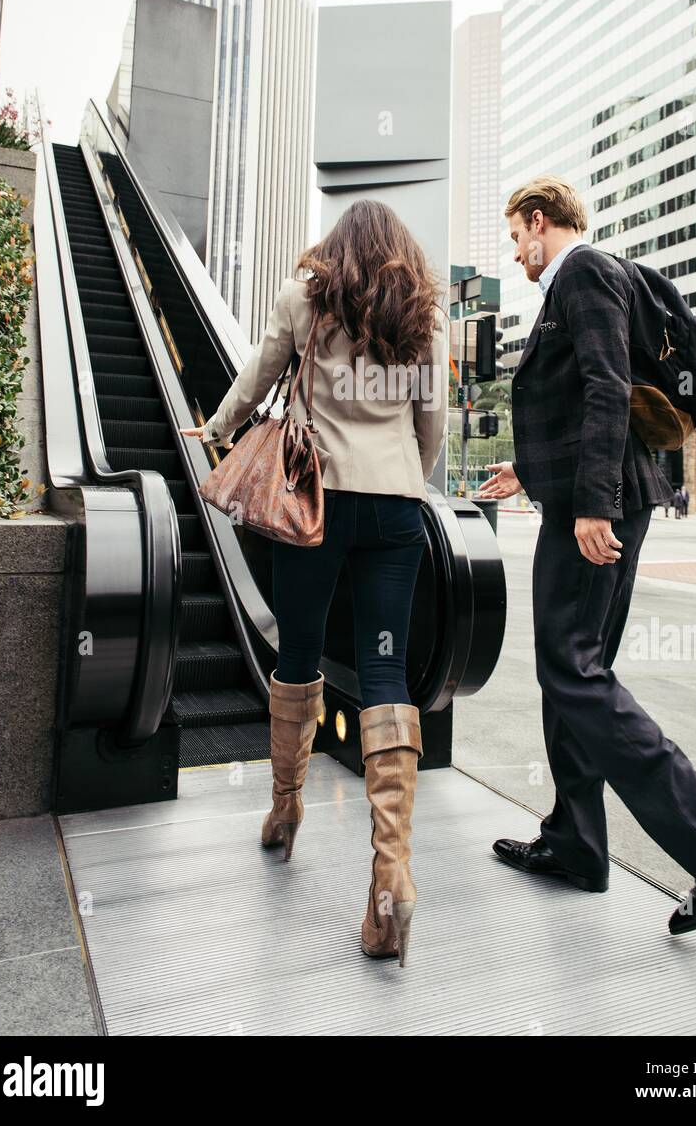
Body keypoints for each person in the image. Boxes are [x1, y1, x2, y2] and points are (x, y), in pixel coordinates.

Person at [477, 176, 696, 935]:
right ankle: (575, 841)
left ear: (539, 223)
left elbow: (608, 388)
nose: (516, 256)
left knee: (570, 668)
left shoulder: (580, 272)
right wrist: (534, 471)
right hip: (602, 493)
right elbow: (584, 401)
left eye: (515, 239)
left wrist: (590, 504)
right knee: (576, 670)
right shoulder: (596, 276)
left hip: (601, 506)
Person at [183, 199, 448, 967]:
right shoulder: (423, 315)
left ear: (336, 246)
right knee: (386, 671)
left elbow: (258, 374)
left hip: (313, 505)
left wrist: (219, 429)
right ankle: (389, 872)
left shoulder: (305, 298)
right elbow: (432, 424)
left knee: (297, 651)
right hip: (394, 509)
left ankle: (285, 808)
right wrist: (404, 475)